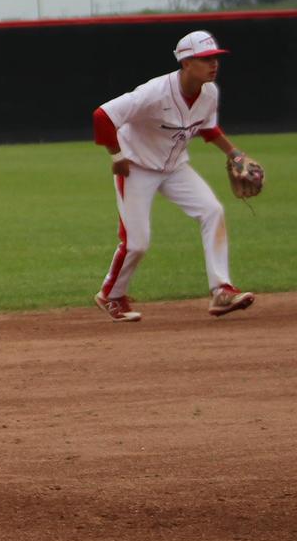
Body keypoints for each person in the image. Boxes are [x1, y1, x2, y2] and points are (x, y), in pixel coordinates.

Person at [91, 29, 255, 323]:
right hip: (137, 166)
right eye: (205, 59)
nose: (214, 64)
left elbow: (207, 128)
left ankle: (221, 291)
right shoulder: (154, 92)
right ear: (186, 63)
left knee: (212, 211)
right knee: (137, 242)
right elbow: (103, 116)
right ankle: (111, 295)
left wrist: (234, 153)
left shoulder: (209, 92)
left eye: (215, 58)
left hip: (175, 167)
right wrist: (117, 157)